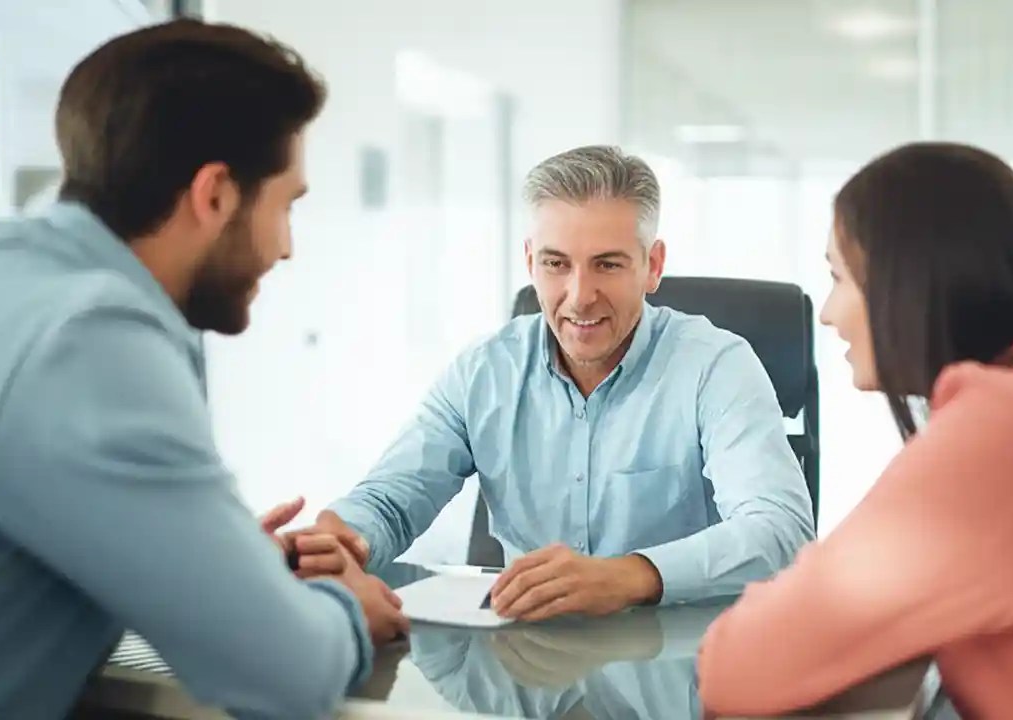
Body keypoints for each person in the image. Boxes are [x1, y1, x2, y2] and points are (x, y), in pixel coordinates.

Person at [0, 19, 407, 720]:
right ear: (215, 195)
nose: (287, 248)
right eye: (286, 206)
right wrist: (343, 606)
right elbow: (284, 673)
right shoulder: (87, 343)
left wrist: (217, 562)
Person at [698, 142, 1013, 719]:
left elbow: (739, 667)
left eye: (839, 278)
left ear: (906, 282)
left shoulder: (1009, 430)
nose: (827, 313)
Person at [297, 145, 814, 621]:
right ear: (530, 262)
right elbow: (392, 498)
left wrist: (627, 576)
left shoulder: (715, 366)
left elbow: (781, 531)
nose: (579, 295)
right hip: (526, 662)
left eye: (607, 265)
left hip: (673, 664)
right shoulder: (484, 371)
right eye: (556, 264)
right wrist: (342, 541)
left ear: (652, 266)